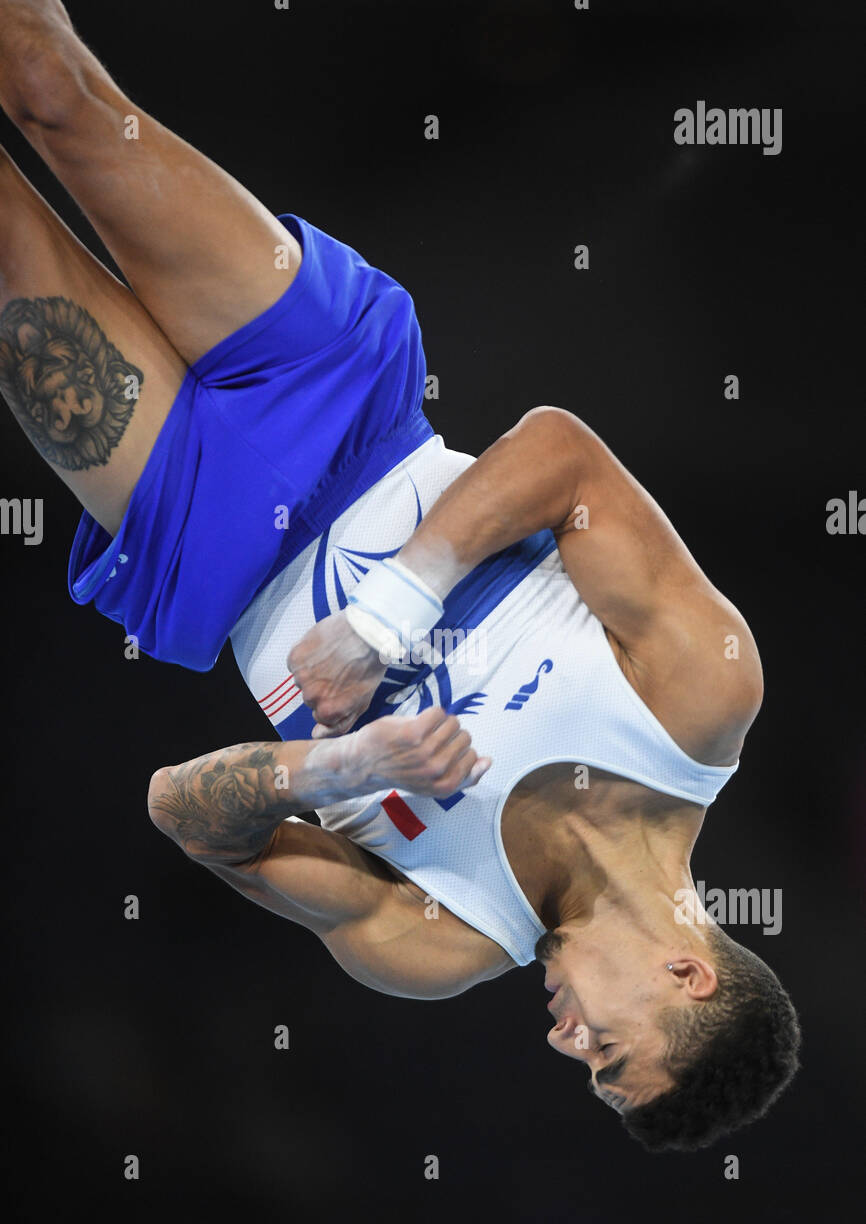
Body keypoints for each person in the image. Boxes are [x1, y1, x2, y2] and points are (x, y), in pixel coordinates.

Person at [0, 1, 800, 1152]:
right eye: (606, 1054)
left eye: (587, 1072)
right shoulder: (698, 699)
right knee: (55, 98)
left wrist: (345, 763)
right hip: (345, 396)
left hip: (199, 538)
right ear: (686, 972)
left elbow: (179, 812)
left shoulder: (439, 939)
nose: (562, 1044)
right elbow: (558, 453)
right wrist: (386, 617)